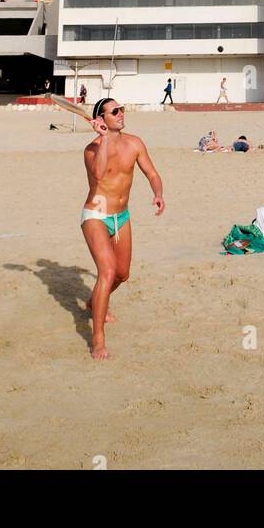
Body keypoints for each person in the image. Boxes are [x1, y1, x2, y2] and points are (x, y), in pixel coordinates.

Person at [80, 98, 165, 360]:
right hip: (96, 215)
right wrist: (104, 139)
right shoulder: (91, 149)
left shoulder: (134, 143)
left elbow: (151, 172)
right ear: (102, 119)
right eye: (114, 111)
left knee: (122, 274)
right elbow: (99, 174)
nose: (121, 114)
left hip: (121, 216)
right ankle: (97, 339)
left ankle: (96, 301)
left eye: (121, 109)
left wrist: (158, 193)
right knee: (106, 271)